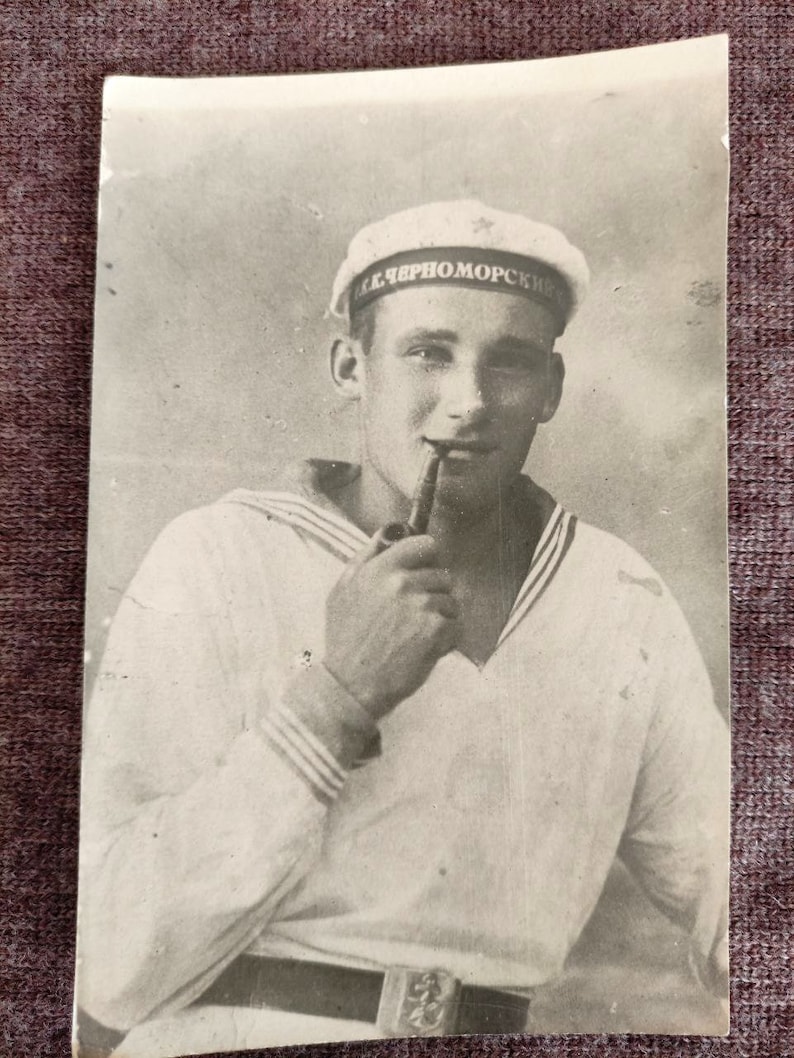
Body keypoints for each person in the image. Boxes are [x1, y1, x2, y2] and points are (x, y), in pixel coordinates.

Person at [75, 200, 729, 1058]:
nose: (468, 402)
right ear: (352, 364)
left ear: (553, 389)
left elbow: (738, 888)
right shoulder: (220, 556)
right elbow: (108, 956)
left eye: (512, 362)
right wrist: (334, 699)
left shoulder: (621, 597)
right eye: (429, 352)